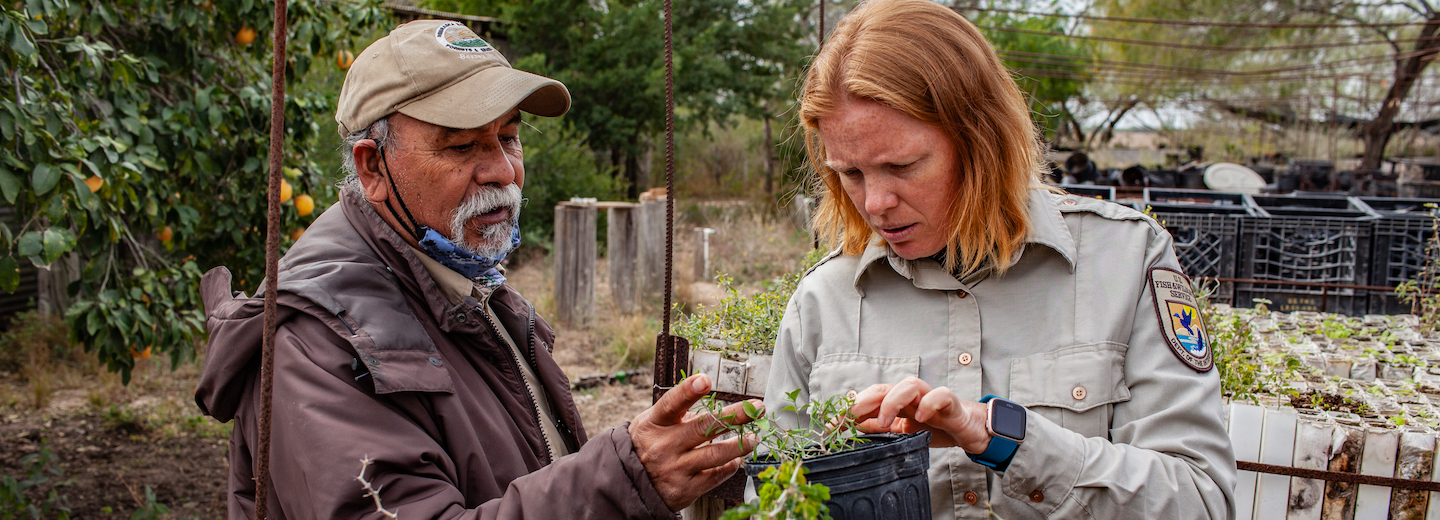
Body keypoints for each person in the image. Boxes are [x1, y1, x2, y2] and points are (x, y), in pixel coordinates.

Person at [195, 19, 759, 520]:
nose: (502, 172)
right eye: (463, 146)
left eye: (509, 137)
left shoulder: (457, 281)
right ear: (373, 167)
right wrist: (625, 480)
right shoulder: (316, 340)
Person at [763, 1, 1237, 519]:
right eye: (850, 173)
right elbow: (771, 503)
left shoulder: (1124, 262)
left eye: (902, 165)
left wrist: (1002, 439)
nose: (875, 203)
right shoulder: (823, 301)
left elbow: (1200, 500)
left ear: (981, 141)